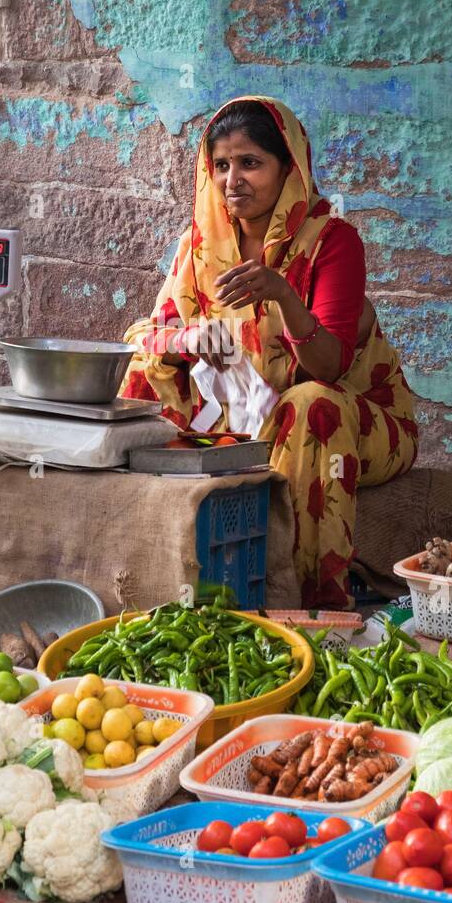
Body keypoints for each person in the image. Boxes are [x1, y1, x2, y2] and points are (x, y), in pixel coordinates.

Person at [121, 96, 418, 609]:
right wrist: (190, 341)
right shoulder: (200, 245)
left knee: (310, 403)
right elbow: (147, 333)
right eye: (221, 165)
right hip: (245, 419)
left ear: (290, 168)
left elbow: (329, 367)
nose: (232, 179)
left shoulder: (332, 243)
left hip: (357, 422)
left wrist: (281, 294)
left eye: (250, 163)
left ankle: (303, 601)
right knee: (148, 368)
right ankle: (138, 572)